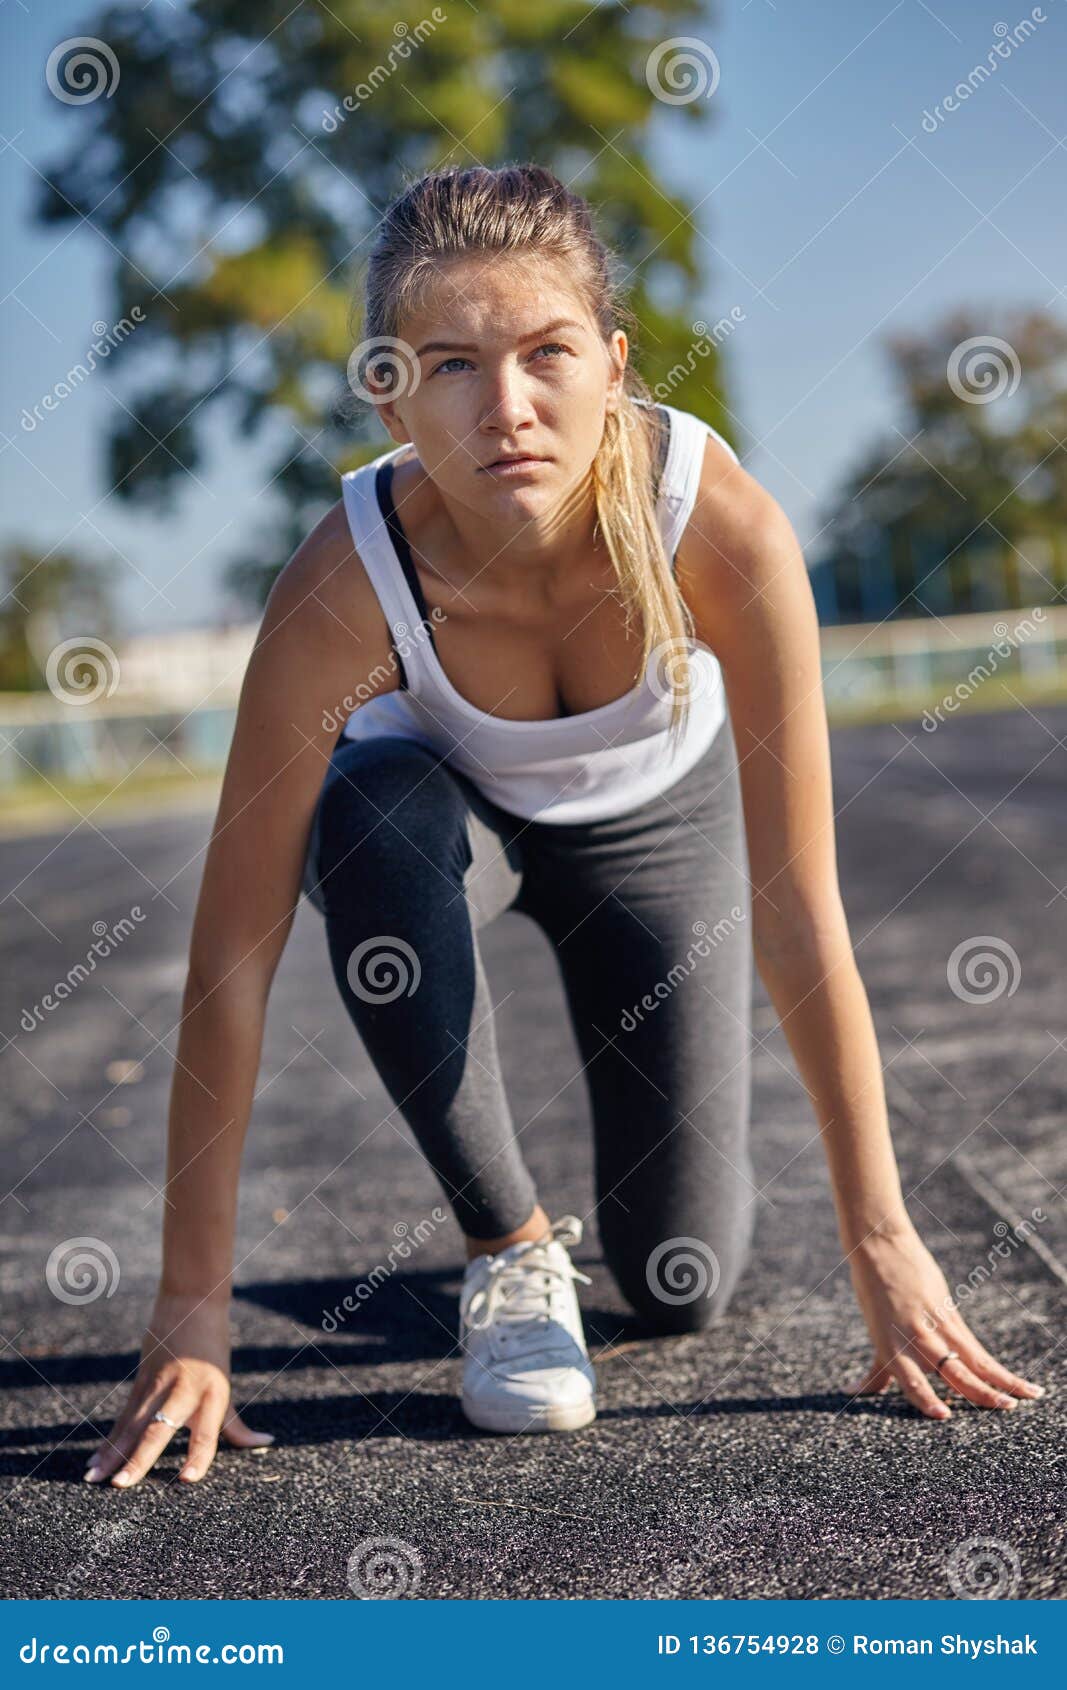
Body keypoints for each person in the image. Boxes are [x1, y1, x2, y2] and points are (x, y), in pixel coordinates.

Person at [85, 163, 1043, 1487]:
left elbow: (798, 902)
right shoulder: (344, 580)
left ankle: (604, 1246)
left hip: (660, 828)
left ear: (614, 360)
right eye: (453, 365)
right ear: (389, 389)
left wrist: (881, 1236)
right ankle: (509, 1243)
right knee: (371, 816)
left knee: (676, 1281)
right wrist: (193, 1302)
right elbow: (230, 958)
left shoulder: (717, 523)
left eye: (547, 353)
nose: (510, 408)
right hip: (440, 824)